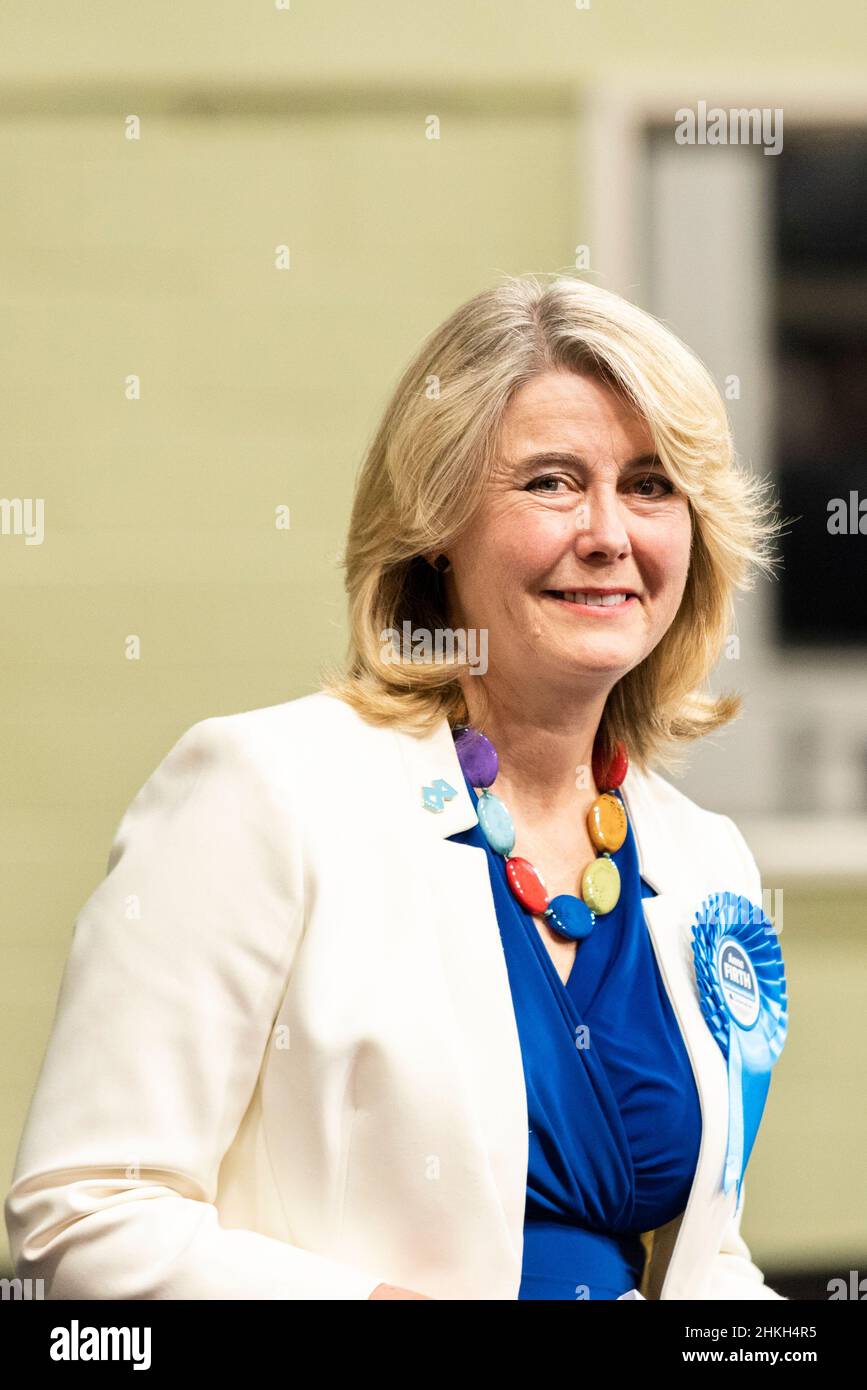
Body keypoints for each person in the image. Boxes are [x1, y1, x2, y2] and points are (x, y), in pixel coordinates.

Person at [5, 273, 788, 1299]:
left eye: (650, 485)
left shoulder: (700, 855)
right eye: (552, 481)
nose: (608, 532)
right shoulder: (266, 789)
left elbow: (700, 1262)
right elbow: (83, 1218)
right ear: (436, 525)